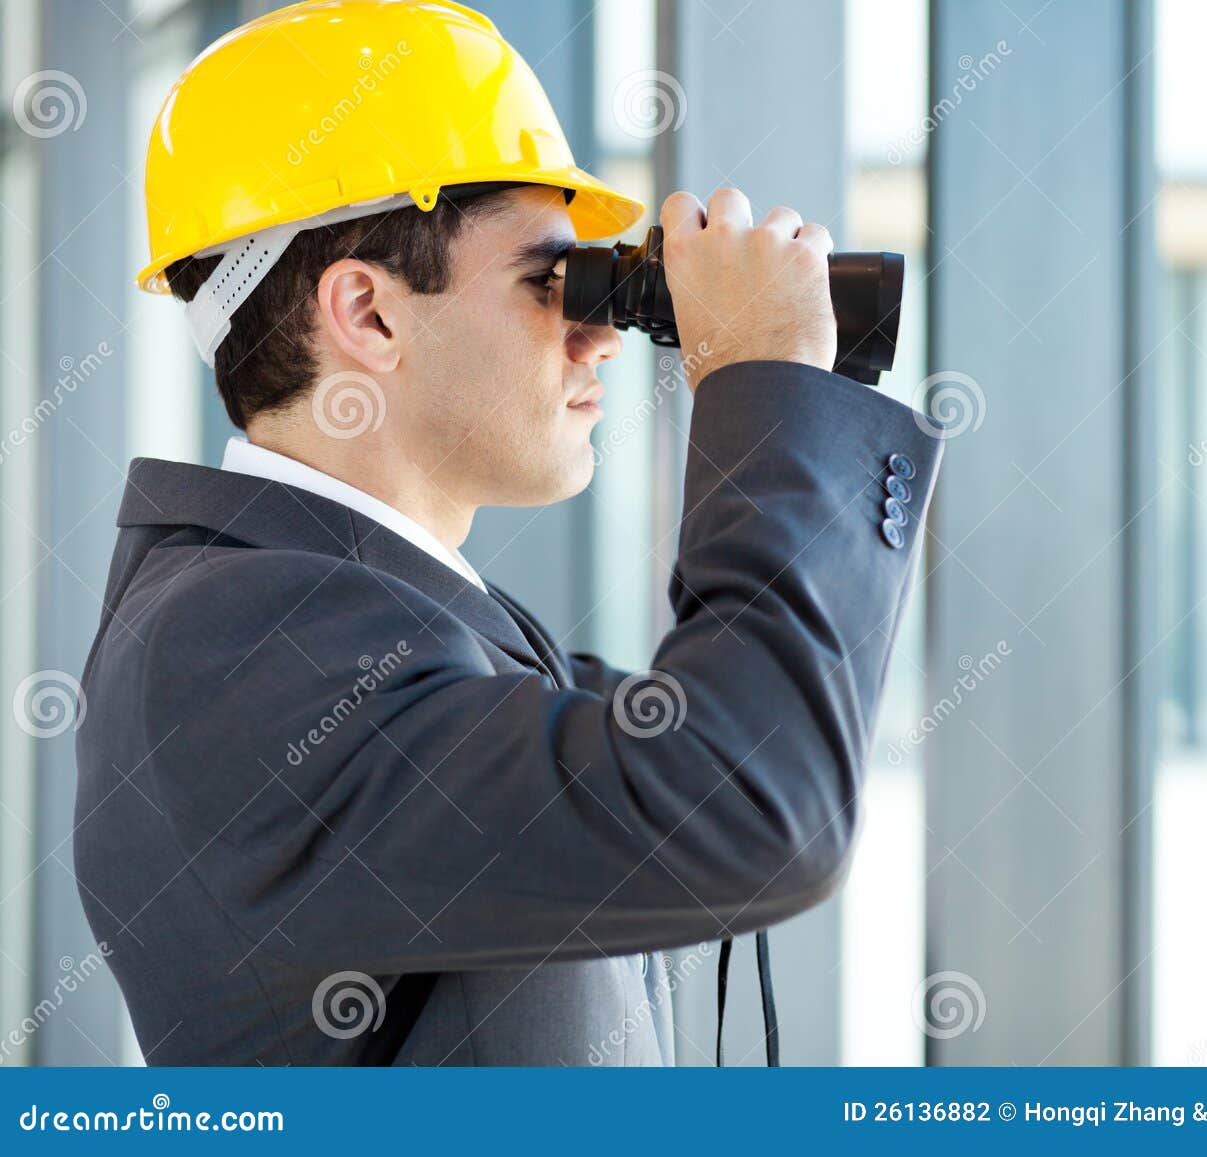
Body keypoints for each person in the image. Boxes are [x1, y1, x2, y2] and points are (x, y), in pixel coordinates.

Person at [74, 0, 941, 1065]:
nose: (604, 340)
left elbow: (744, 734)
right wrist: (764, 385)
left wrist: (787, 385)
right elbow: (754, 810)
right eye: (553, 282)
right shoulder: (238, 641)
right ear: (369, 313)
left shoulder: (395, 621)